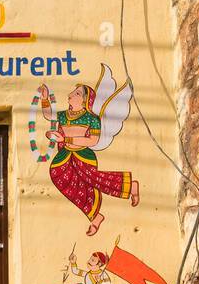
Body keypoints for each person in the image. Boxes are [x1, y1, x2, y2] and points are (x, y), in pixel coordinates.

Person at [39, 82, 140, 236]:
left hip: (83, 155)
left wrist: (65, 140)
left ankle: (130, 187)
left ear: (85, 101)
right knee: (59, 176)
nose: (71, 94)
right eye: (73, 92)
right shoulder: (63, 115)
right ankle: (95, 215)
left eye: (77, 93)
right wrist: (45, 98)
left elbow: (92, 141)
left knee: (92, 179)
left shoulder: (91, 119)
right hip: (65, 155)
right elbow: (48, 115)